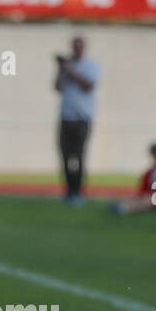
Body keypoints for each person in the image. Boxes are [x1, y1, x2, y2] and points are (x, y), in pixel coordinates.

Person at [54, 35, 100, 204]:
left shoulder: (91, 65)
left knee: (79, 156)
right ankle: (68, 190)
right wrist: (61, 69)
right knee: (65, 155)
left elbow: (88, 86)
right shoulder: (66, 67)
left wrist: (70, 70)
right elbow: (57, 87)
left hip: (82, 118)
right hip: (66, 117)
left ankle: (78, 192)